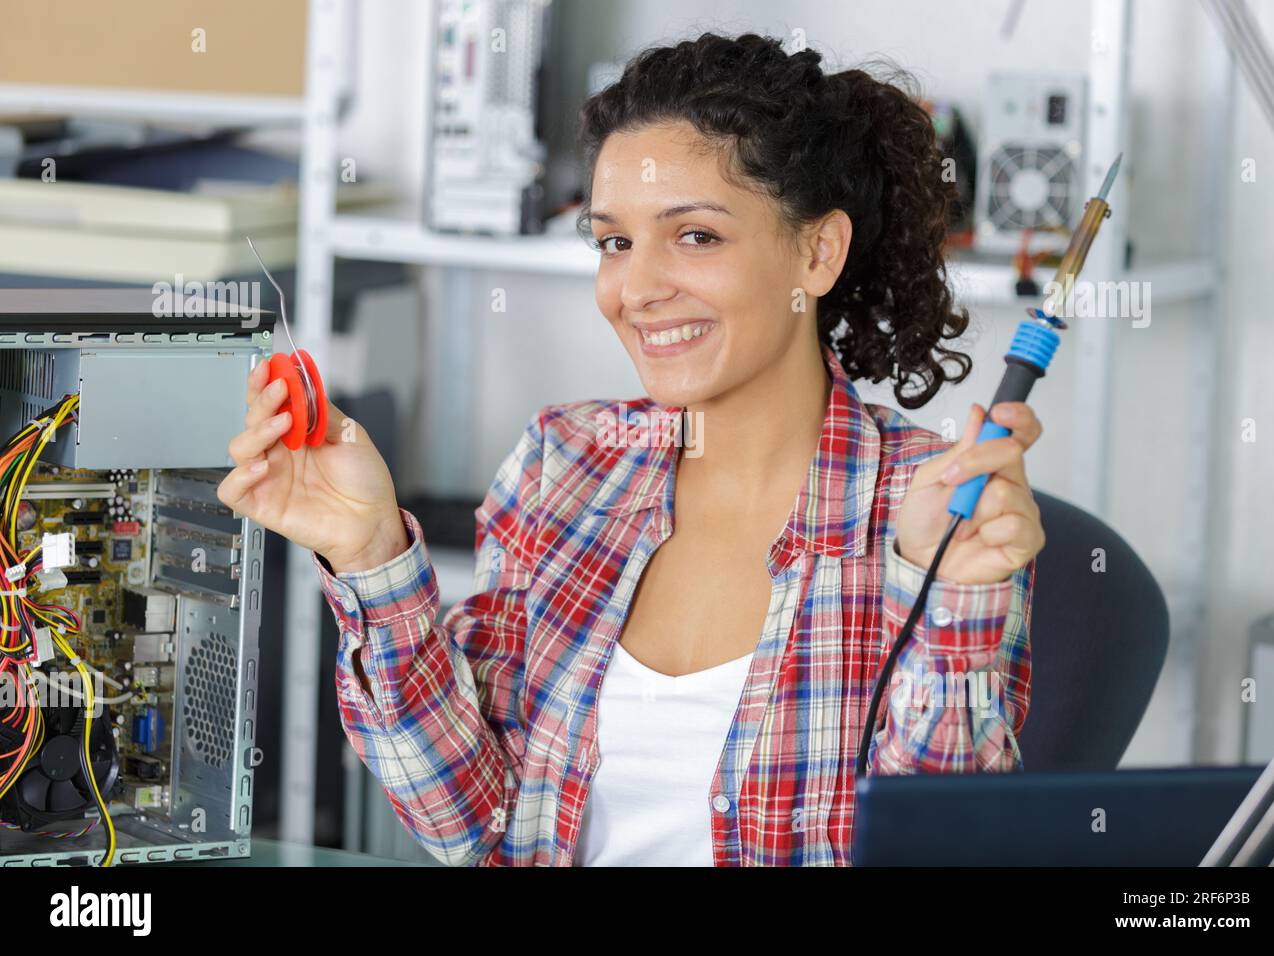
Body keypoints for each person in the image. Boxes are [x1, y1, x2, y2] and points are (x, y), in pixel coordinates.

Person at [217, 32, 1044, 867]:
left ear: (816, 251)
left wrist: (959, 602)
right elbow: (470, 826)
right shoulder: (562, 464)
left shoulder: (926, 509)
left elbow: (939, 848)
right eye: (614, 241)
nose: (637, 290)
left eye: (695, 237)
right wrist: (370, 555)